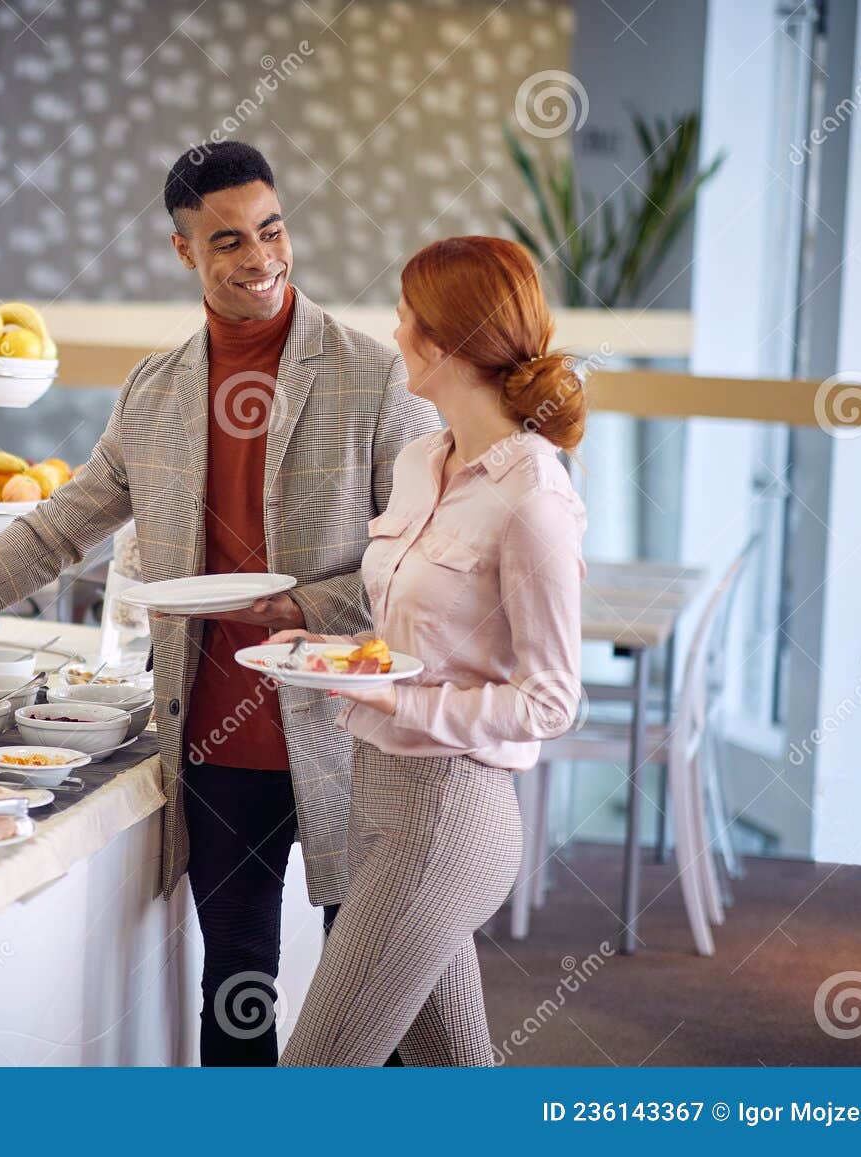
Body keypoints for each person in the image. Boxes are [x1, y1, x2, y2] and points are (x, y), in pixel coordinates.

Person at [0, 141, 438, 1066]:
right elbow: (55, 529)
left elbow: (423, 559)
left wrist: (303, 608)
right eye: (227, 240)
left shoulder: (374, 375)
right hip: (218, 737)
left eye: (271, 230)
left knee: (380, 995)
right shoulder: (155, 392)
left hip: (357, 731)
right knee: (237, 976)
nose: (260, 258)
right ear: (183, 251)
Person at [275, 235, 587, 1067]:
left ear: (449, 342)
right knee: (459, 1078)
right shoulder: (422, 460)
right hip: (376, 800)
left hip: (448, 817)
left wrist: (398, 699)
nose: (396, 330)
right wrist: (332, 650)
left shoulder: (535, 501)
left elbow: (550, 701)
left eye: (408, 317)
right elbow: (420, 635)